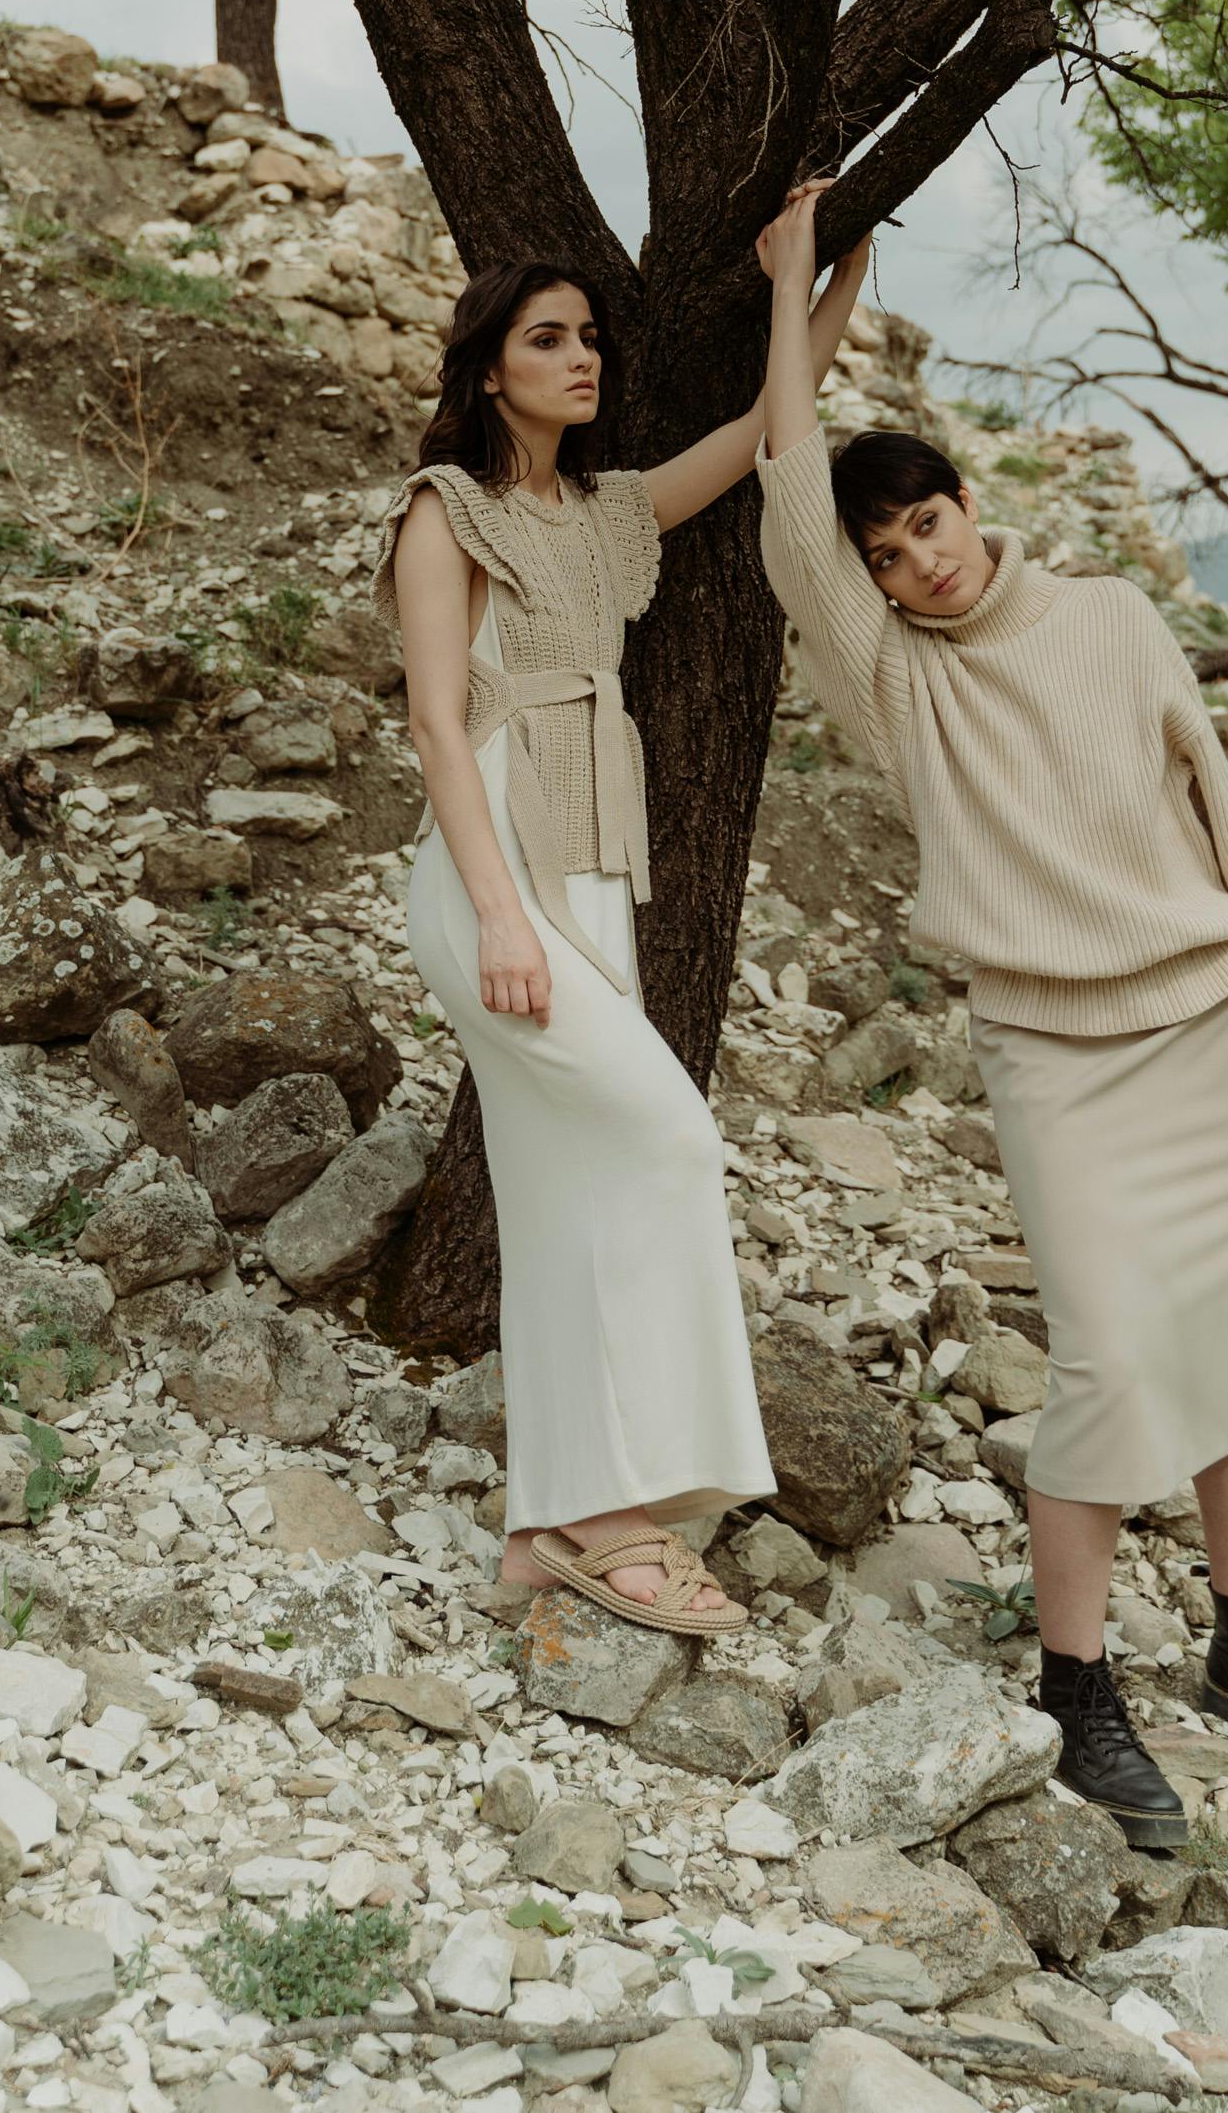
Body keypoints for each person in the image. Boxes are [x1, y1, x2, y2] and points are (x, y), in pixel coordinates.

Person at [754, 183, 1228, 1839]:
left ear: (969, 503)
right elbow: (786, 501)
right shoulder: (894, 677)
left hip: (1200, 1026)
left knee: (1224, 1342)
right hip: (1047, 1051)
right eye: (887, 557)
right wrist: (796, 289)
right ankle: (1075, 1685)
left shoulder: (1110, 616)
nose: (916, 565)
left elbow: (1222, 823)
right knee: (1103, 1357)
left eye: (926, 527)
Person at [381, 240, 868, 1633]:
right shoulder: (445, 513)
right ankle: (615, 1515)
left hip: (590, 874)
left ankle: (549, 1526)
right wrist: (499, 918)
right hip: (495, 882)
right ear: (488, 369)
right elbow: (436, 726)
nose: (581, 357)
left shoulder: (607, 513)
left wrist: (821, 271)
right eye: (546, 338)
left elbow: (772, 423)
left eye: (588, 336)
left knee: (567, 1197)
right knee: (667, 1141)